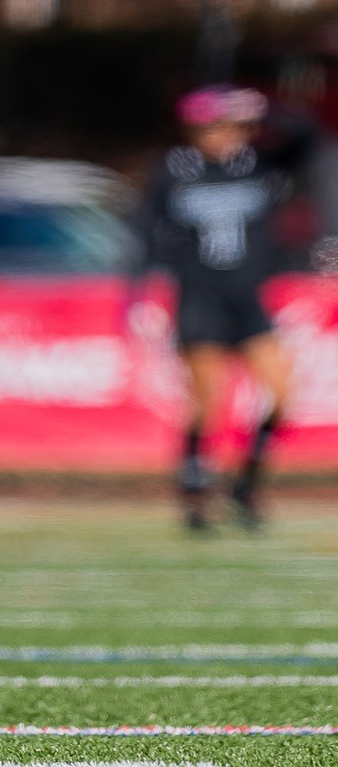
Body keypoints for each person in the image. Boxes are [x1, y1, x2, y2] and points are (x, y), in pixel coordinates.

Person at [131, 85, 306, 532]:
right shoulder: (174, 171)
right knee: (208, 404)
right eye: (213, 126)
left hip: (247, 300)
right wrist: (142, 289)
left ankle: (247, 483)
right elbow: (146, 233)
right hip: (200, 299)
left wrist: (262, 106)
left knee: (283, 393)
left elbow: (307, 137)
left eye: (231, 125)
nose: (223, 135)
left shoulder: (258, 166)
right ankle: (195, 493)